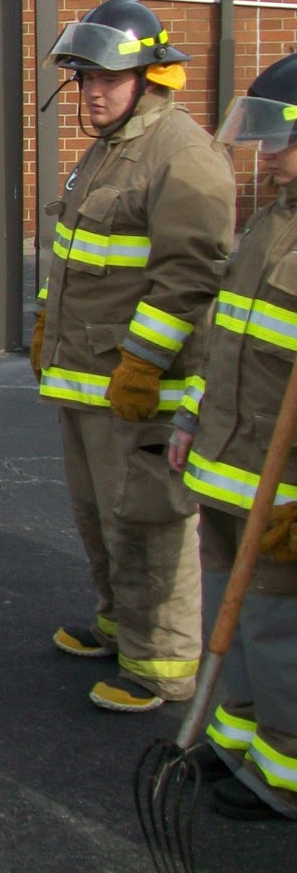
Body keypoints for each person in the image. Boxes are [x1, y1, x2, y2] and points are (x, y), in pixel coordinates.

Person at [32, 0, 234, 712]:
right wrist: (47, 329)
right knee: (99, 516)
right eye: (85, 79)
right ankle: (120, 627)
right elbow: (78, 258)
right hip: (88, 380)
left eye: (107, 80)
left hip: (141, 387)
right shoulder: (109, 149)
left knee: (149, 523)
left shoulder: (182, 156)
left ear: (151, 77)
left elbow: (191, 275)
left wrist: (144, 365)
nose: (92, 93)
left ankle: (162, 665)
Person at [167, 51, 297, 823]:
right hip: (227, 464)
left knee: (280, 630)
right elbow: (227, 335)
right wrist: (189, 417)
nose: (270, 152)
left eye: (286, 136)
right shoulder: (272, 220)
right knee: (236, 612)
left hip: (283, 490)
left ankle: (284, 777)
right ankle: (236, 743)